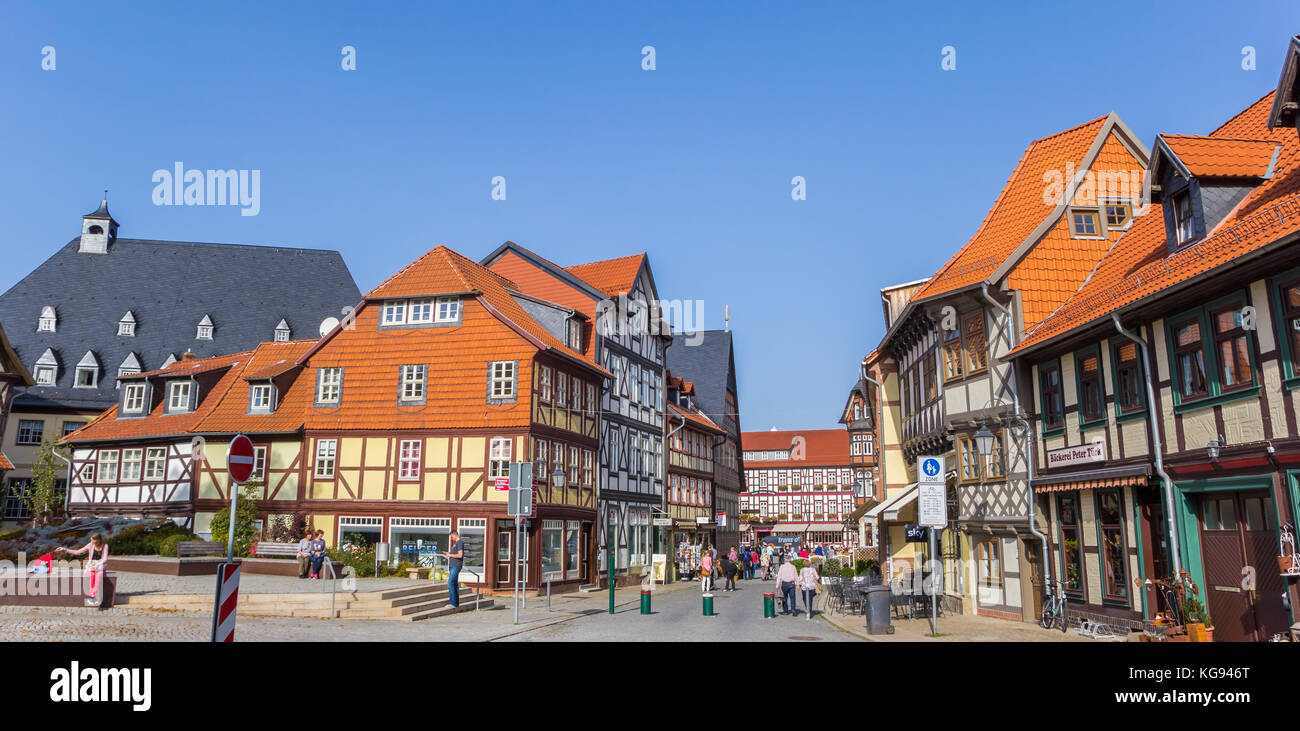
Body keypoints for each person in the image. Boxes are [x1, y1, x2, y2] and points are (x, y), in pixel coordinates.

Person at [56, 533, 109, 605]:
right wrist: (65, 549)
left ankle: (93, 595)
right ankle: (92, 595)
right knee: (92, 575)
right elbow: (77, 552)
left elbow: (105, 559)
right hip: (91, 566)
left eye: (93, 541)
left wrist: (97, 565)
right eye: (91, 541)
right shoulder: (90, 545)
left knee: (98, 576)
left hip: (100, 566)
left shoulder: (105, 546)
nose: (92, 542)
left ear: (98, 540)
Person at [444, 530, 464, 607]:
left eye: (451, 537)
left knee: (450, 583)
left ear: (455, 535)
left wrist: (450, 555)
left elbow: (460, 555)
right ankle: (456, 603)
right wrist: (449, 553)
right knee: (455, 584)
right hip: (453, 566)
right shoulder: (456, 543)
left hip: (456, 566)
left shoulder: (459, 542)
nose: (451, 539)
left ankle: (453, 603)